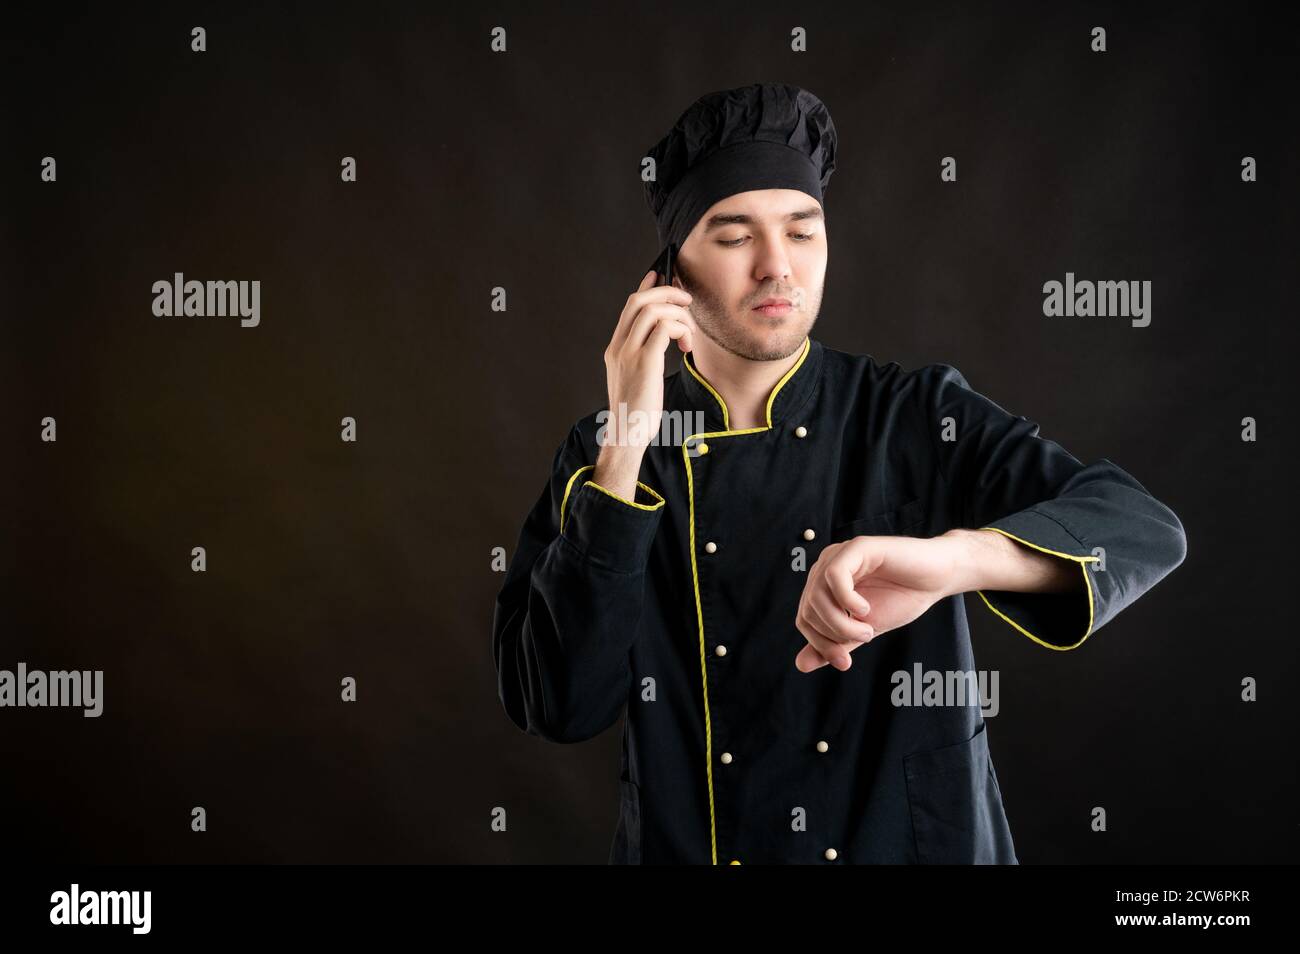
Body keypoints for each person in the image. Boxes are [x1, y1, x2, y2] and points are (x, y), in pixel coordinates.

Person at [491, 82, 1187, 864]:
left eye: (802, 230)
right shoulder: (604, 455)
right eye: (732, 236)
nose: (776, 267)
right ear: (669, 273)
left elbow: (1141, 526)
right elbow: (557, 702)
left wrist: (951, 561)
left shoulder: (914, 415)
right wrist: (625, 442)